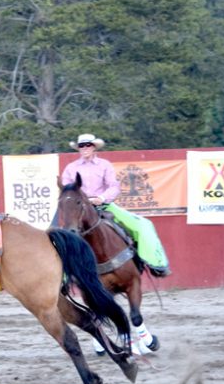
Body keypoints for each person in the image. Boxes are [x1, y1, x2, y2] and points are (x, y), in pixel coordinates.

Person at [60, 133, 170, 354]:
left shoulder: (105, 165)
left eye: (88, 145)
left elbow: (113, 186)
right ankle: (62, 279)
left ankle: (153, 261)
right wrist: (78, 200)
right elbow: (67, 190)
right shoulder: (71, 169)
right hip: (77, 210)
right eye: (81, 145)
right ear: (78, 148)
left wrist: (101, 198)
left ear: (94, 147)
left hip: (103, 206)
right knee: (60, 238)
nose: (85, 148)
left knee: (141, 225)